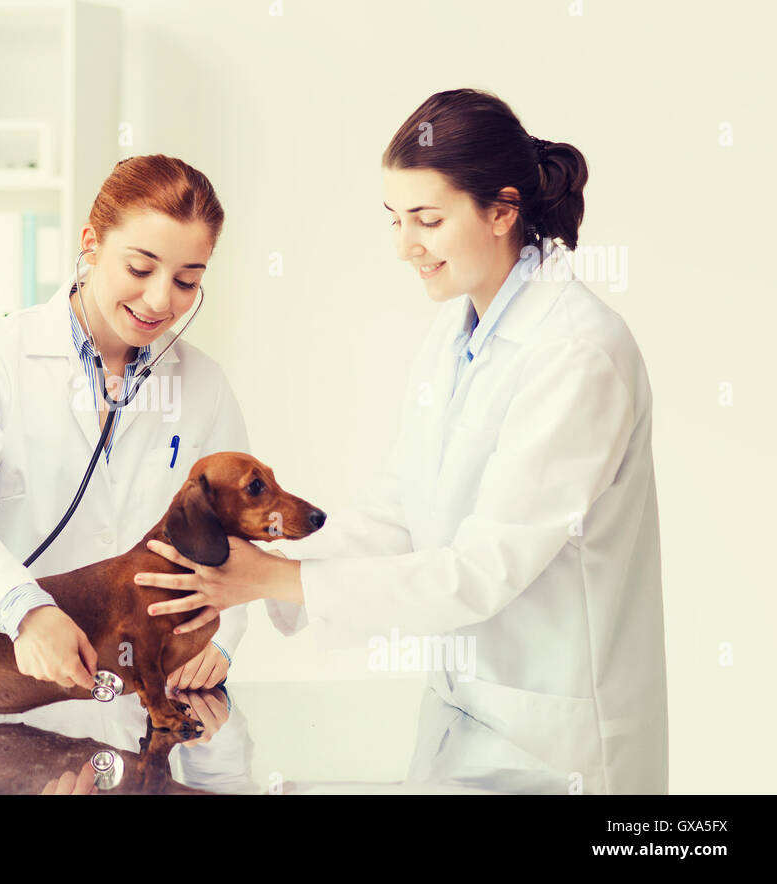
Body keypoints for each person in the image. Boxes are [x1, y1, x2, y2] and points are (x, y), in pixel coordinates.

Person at [135, 89, 669, 794]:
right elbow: (400, 511)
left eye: (427, 220)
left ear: (503, 210)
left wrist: (277, 579)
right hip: (464, 716)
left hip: (555, 740)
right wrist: (259, 560)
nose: (404, 246)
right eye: (394, 219)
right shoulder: (456, 333)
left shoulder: (577, 353)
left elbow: (485, 568)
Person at [0, 155, 250, 693]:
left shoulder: (204, 383)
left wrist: (222, 641)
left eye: (187, 281)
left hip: (150, 694)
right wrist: (24, 610)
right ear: (90, 243)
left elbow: (240, 529)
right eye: (140, 269)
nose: (161, 300)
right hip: (11, 679)